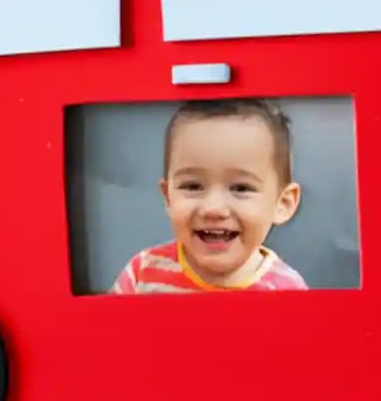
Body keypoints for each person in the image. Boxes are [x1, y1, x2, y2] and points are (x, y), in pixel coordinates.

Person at [109, 98, 307, 293]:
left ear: (283, 203)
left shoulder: (288, 291)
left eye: (241, 188)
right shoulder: (142, 273)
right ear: (168, 197)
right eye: (193, 186)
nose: (214, 208)